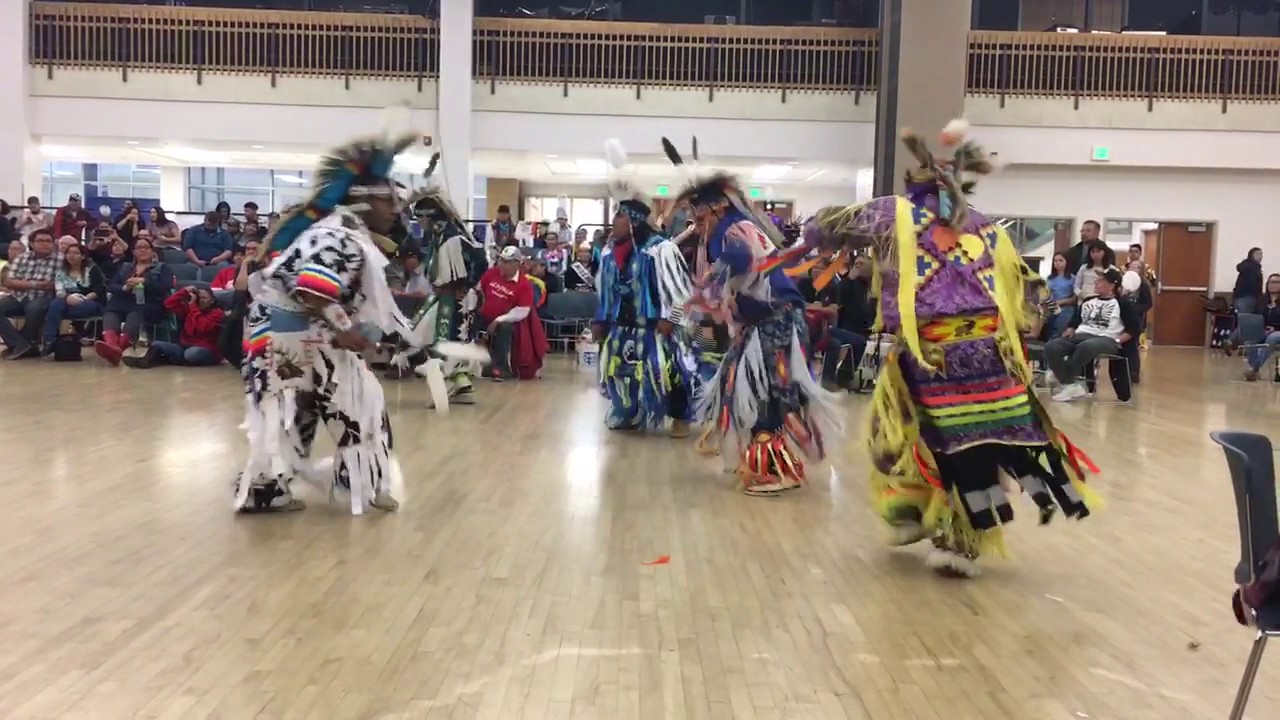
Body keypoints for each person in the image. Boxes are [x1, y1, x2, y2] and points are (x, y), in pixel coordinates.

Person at [808, 120, 1098, 577]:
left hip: (932, 357)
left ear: (915, 182)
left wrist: (825, 231)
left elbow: (821, 229)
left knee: (900, 435)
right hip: (990, 358)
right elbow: (1026, 292)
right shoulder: (988, 229)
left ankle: (910, 512)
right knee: (973, 445)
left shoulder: (894, 214)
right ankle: (959, 538)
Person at [237, 132, 426, 515]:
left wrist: (350, 328)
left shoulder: (342, 232)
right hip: (287, 333)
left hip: (291, 331)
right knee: (326, 403)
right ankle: (312, 483)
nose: (395, 209)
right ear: (362, 200)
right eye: (388, 200)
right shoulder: (340, 237)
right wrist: (345, 329)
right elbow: (313, 290)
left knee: (305, 405)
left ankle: (283, 485)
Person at [660, 136, 841, 496]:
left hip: (776, 322)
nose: (696, 221)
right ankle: (766, 464)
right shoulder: (729, 228)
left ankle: (777, 470)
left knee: (767, 393)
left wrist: (713, 283)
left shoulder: (731, 231)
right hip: (762, 323)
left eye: (700, 214)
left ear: (717, 208)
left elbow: (742, 259)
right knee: (747, 389)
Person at [593, 140, 697, 436]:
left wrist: (670, 320)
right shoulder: (610, 254)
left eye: (619, 216)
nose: (614, 222)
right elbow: (605, 293)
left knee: (668, 369)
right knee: (620, 371)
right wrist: (601, 320)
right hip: (622, 327)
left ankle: (680, 416)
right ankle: (627, 412)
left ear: (635, 221)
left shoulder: (660, 250)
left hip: (656, 327)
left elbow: (681, 293)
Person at [395, 152, 491, 408]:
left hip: (455, 299)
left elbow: (482, 261)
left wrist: (466, 286)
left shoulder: (452, 238)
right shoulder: (442, 236)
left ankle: (444, 389)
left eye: (420, 218)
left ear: (430, 217)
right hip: (446, 296)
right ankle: (461, 383)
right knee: (430, 337)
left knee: (444, 342)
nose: (419, 223)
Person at [1044, 268, 1141, 402]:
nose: (1096, 283)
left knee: (1087, 347)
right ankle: (1070, 383)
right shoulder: (1088, 301)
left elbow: (1134, 328)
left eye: (1101, 281)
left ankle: (1060, 375)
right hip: (1081, 334)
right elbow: (1075, 320)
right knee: (1052, 346)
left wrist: (1119, 340)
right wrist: (1070, 329)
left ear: (1111, 286)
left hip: (1107, 338)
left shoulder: (1123, 304)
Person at [94, 236, 175, 366]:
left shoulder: (162, 268)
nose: (143, 250)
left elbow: (165, 287)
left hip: (150, 302)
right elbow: (111, 286)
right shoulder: (125, 267)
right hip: (125, 299)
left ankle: (118, 347)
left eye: (146, 247)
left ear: (152, 251)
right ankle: (112, 344)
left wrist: (144, 282)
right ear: (133, 251)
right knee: (111, 309)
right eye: (139, 248)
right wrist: (125, 287)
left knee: (136, 312)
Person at [477, 246, 544, 381]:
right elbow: (479, 289)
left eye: (507, 262)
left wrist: (499, 319)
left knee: (504, 328)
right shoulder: (492, 273)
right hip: (484, 315)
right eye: (501, 260)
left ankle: (501, 369)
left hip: (509, 321)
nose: (502, 264)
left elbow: (523, 311)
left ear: (517, 264)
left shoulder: (524, 285)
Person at [124, 286, 224, 368]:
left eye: (204, 298)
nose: (200, 300)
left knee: (191, 354)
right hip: (184, 346)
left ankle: (165, 360)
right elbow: (168, 304)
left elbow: (201, 327)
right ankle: (145, 361)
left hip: (207, 349)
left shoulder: (217, 313)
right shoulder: (189, 309)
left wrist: (193, 307)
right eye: (198, 297)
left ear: (212, 300)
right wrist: (184, 292)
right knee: (157, 344)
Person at [0, 229, 62, 359]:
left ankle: (22, 344)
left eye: (48, 241)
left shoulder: (61, 259)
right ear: (32, 244)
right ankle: (18, 343)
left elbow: (57, 283)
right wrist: (35, 284)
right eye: (40, 241)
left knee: (35, 308)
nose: (45, 244)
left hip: (44, 298)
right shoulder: (22, 258)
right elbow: (8, 282)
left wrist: (22, 283)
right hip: (17, 296)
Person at [41, 242, 106, 352]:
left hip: (89, 301)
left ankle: (50, 340)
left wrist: (83, 299)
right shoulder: (61, 272)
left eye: (76, 253)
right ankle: (49, 341)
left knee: (54, 310)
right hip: (66, 301)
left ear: (83, 256)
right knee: (56, 303)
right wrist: (67, 298)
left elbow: (100, 290)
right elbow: (59, 291)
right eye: (69, 253)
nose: (72, 256)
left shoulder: (92, 269)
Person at [821, 253, 874, 390]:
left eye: (862, 264)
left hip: (865, 328)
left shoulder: (869, 286)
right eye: (856, 263)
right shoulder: (847, 284)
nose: (858, 266)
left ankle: (851, 378)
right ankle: (843, 378)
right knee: (857, 341)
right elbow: (839, 302)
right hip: (844, 327)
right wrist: (851, 278)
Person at [1244, 273, 1280, 382]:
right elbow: (1255, 317)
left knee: (1272, 338)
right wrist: (1260, 327)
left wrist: (1275, 329)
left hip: (1278, 332)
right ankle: (1254, 369)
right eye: (1270, 282)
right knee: (1250, 339)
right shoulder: (1261, 301)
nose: (1272, 285)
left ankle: (1254, 368)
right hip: (1263, 330)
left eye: (1276, 282)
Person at [1043, 252, 1076, 338]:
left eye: (1060, 260)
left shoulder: (1072, 278)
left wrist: (1061, 302)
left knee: (1061, 321)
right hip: (1052, 305)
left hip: (1067, 306)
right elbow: (1046, 294)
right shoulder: (1049, 278)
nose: (1057, 263)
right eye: (1055, 261)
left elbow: (1074, 298)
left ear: (1067, 262)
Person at [1233, 247, 1264, 315]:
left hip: (1245, 297)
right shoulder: (1251, 267)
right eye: (1259, 254)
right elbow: (1252, 283)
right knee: (1245, 317)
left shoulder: (1250, 266)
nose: (1261, 256)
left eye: (1261, 254)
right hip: (1247, 296)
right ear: (1252, 255)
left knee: (1244, 317)